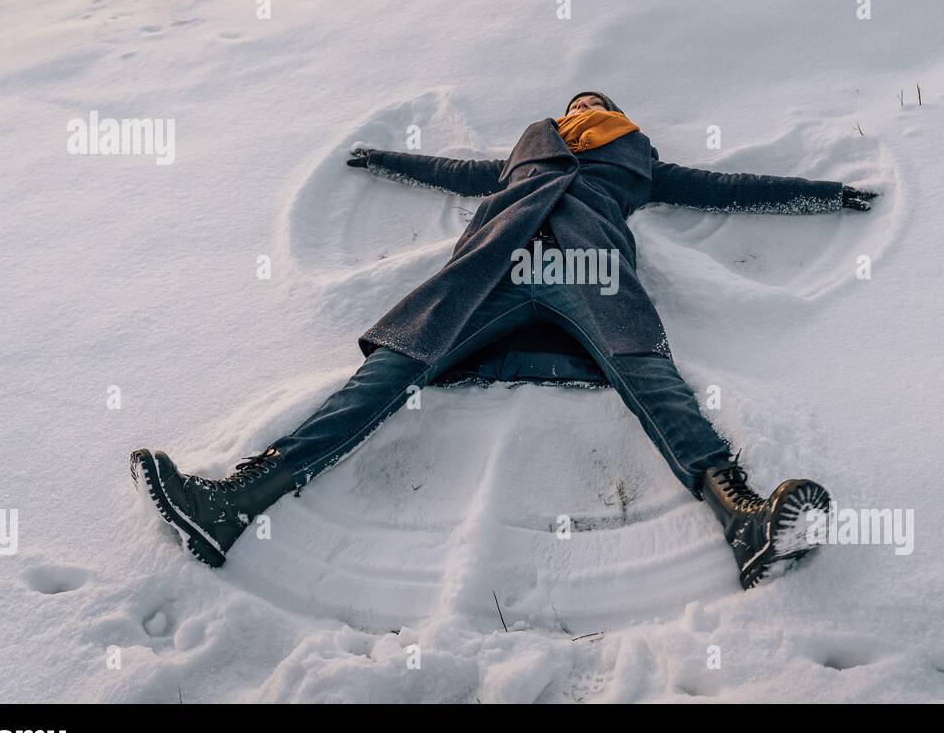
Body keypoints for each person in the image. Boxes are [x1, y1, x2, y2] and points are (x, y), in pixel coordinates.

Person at [133, 91, 879, 589]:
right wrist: (384, 159)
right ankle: (232, 501)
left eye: (598, 102)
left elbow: (728, 188)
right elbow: (458, 173)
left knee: (650, 380)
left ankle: (742, 518)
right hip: (491, 272)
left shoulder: (640, 164)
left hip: (591, 272)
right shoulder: (529, 150)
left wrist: (824, 194)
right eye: (577, 101)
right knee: (388, 375)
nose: (585, 105)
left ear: (617, 116)